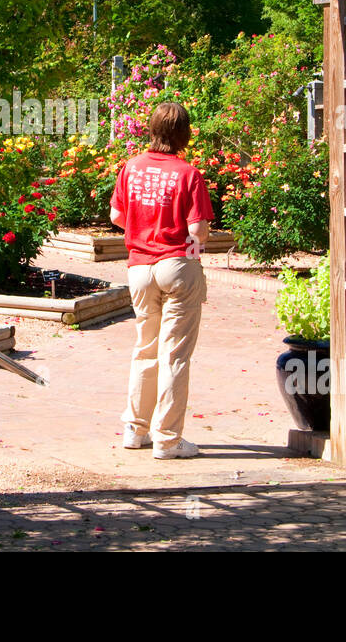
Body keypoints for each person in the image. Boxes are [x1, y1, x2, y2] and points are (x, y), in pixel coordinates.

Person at [109, 101, 213, 459]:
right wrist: (200, 239)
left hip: (139, 268)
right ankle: (167, 439)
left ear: (151, 130)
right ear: (184, 134)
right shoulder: (188, 173)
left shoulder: (131, 167)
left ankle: (134, 430)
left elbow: (117, 216)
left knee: (144, 349)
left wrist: (143, 228)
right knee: (175, 355)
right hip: (177, 266)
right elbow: (197, 230)